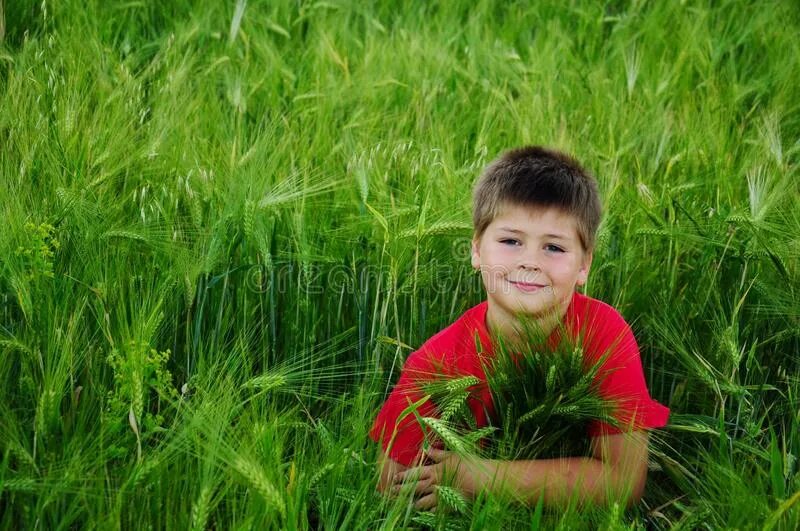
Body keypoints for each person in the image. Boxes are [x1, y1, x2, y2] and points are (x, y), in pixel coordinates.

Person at [369, 146, 670, 510]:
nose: (530, 261)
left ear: (584, 265)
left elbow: (624, 483)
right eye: (511, 241)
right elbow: (391, 483)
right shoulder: (436, 363)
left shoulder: (602, 333)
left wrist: (479, 478)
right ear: (477, 251)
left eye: (554, 248)